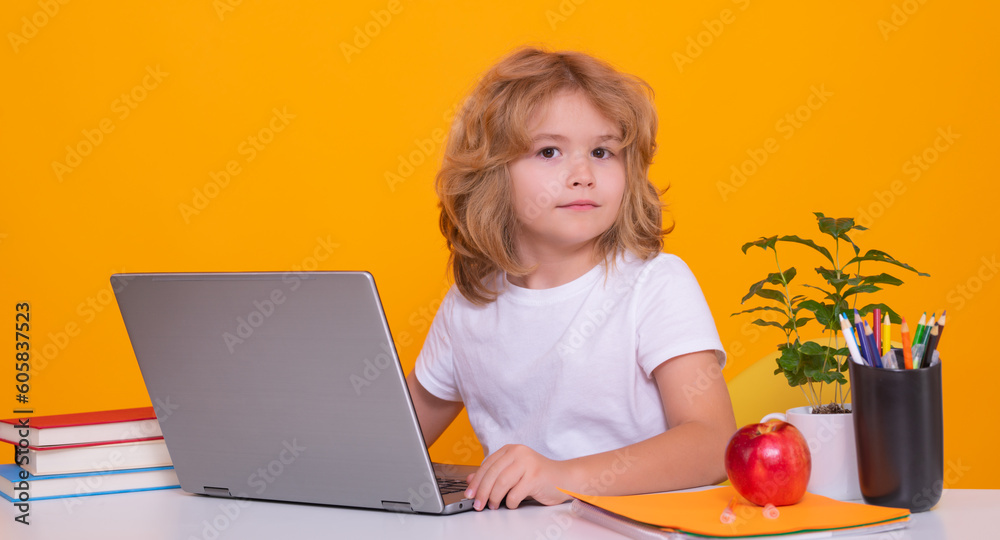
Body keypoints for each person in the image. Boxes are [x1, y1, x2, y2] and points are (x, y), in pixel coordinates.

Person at [405, 46, 736, 512]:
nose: (582, 174)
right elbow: (392, 443)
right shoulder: (468, 304)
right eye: (549, 151)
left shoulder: (655, 285)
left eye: (602, 151)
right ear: (491, 175)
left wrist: (564, 476)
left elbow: (712, 441)